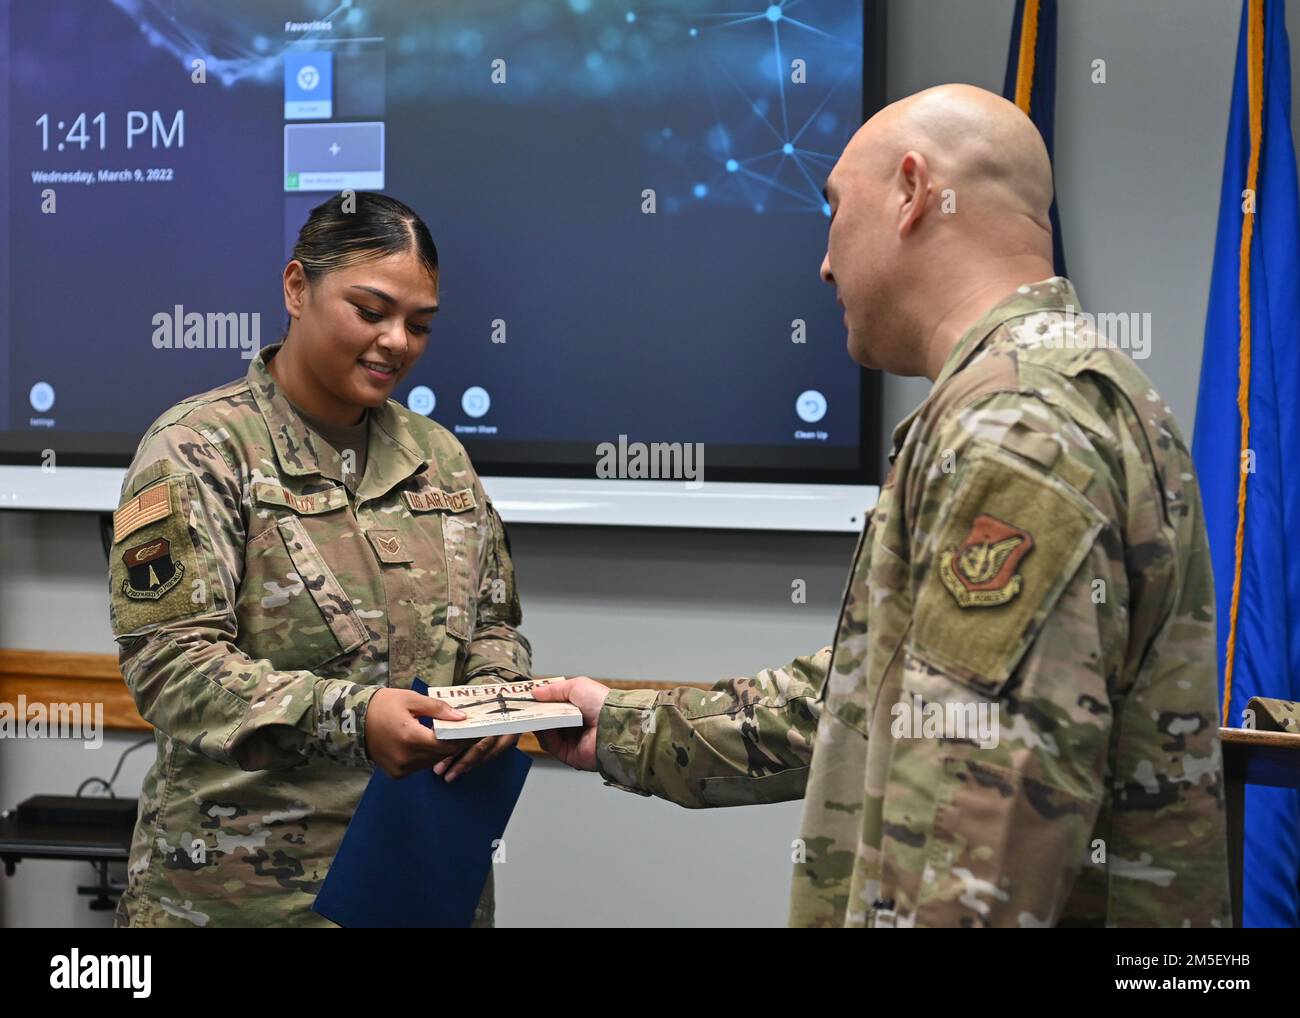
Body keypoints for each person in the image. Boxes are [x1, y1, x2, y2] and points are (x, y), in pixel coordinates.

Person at [535, 84, 1231, 928]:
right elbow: (879, 696)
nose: (824, 263)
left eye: (832, 207)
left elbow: (977, 830)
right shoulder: (1052, 395)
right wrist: (625, 726)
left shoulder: (1014, 428)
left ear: (910, 192)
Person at [107, 192, 531, 927]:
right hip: (243, 895)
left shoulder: (438, 457)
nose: (397, 342)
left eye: (420, 325)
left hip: (421, 884)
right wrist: (355, 719)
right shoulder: (198, 449)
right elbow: (170, 667)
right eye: (371, 312)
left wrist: (498, 695)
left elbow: (494, 622)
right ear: (297, 288)